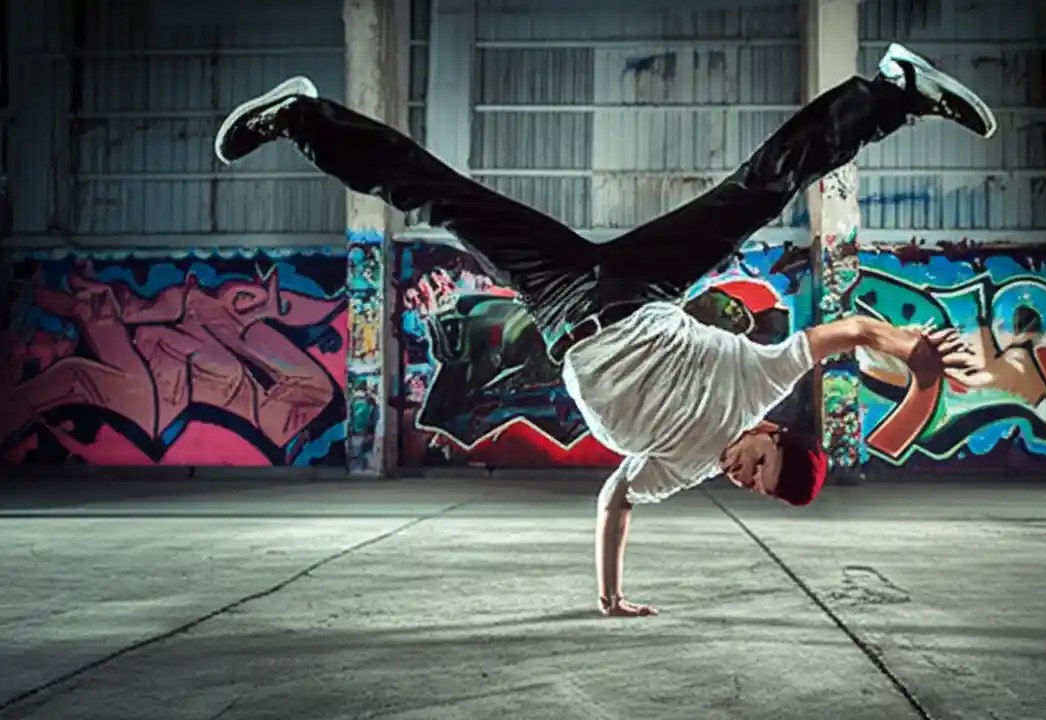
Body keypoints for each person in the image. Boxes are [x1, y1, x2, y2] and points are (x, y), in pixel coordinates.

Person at [214, 42, 994, 617]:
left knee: (442, 200)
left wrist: (609, 596)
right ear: (772, 435)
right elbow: (847, 331)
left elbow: (615, 503)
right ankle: (895, 92)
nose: (738, 475)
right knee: (762, 188)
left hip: (562, 302)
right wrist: (911, 350)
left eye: (749, 485)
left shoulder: (681, 469)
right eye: (756, 465)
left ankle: (302, 119)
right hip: (646, 283)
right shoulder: (762, 380)